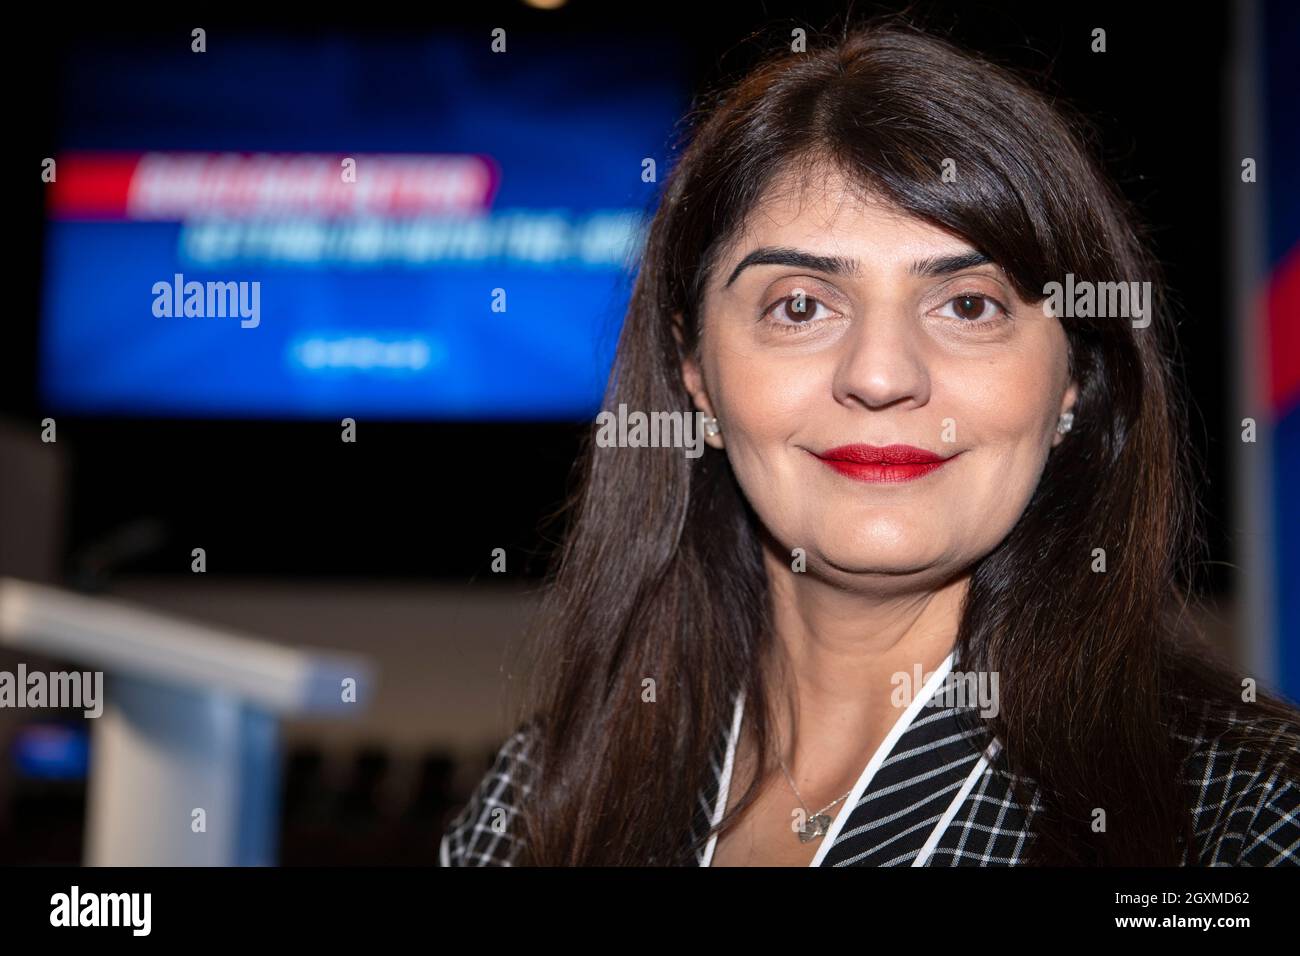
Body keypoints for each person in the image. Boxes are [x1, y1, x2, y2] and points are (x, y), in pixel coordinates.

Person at [441, 18, 1300, 866]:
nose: (883, 376)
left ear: (1073, 379)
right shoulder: (539, 806)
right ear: (694, 372)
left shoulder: (1249, 814)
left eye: (969, 305)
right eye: (801, 306)